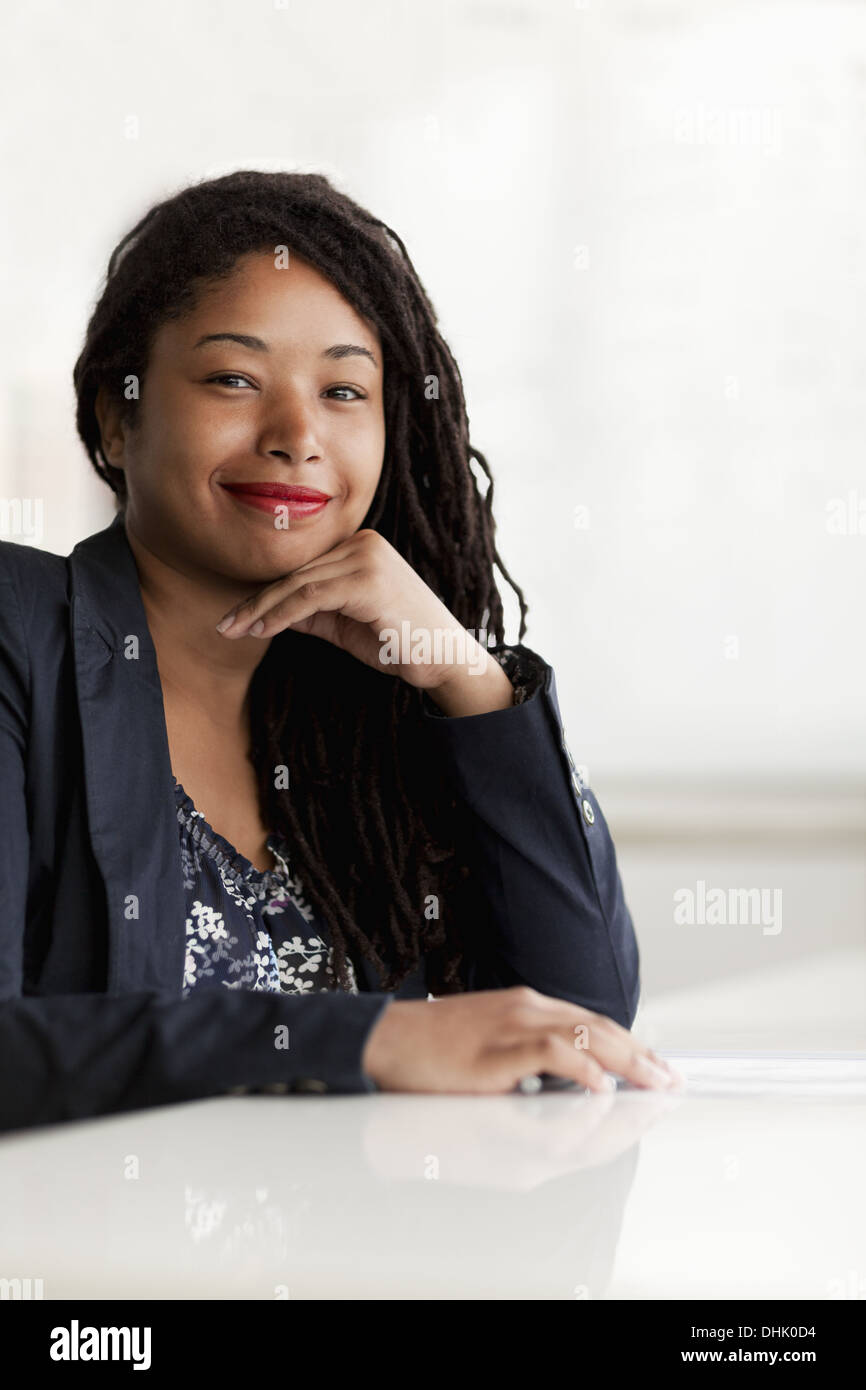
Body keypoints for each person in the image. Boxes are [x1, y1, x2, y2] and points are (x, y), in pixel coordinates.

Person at [0, 170, 679, 1132]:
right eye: (234, 379)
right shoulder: (17, 631)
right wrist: (359, 1042)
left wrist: (468, 681)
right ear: (120, 416)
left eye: (344, 390)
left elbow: (579, 1025)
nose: (296, 437)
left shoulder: (370, 709)